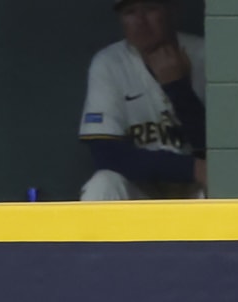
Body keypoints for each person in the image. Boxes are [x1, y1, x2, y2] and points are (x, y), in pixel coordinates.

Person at [78, 0, 206, 200]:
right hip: (143, 188)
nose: (140, 21)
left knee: (221, 183)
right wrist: (190, 168)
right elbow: (106, 154)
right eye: (130, 12)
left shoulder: (205, 55)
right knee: (103, 184)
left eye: (150, 9)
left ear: (172, 11)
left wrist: (178, 89)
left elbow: (215, 146)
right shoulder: (110, 62)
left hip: (196, 189)